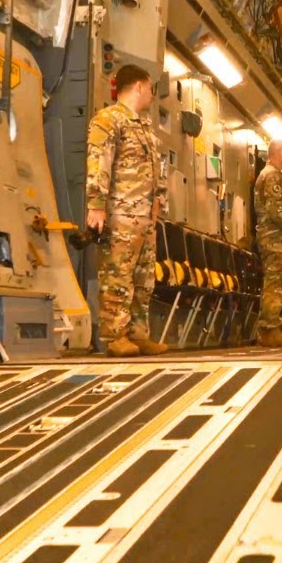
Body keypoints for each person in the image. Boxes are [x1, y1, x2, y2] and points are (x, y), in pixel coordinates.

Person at [85, 64, 169, 357]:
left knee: (143, 281)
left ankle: (138, 334)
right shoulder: (108, 120)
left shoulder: (144, 126)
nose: (152, 95)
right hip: (121, 214)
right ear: (139, 86)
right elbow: (98, 163)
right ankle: (115, 336)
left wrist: (157, 205)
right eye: (150, 88)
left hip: (145, 217)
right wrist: (96, 206)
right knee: (117, 276)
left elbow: (156, 172)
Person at [253, 140, 282, 348]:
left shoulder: (273, 175)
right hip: (276, 238)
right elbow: (277, 210)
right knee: (276, 283)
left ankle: (270, 328)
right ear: (279, 152)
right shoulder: (272, 176)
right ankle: (269, 330)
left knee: (278, 282)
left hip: (277, 237)